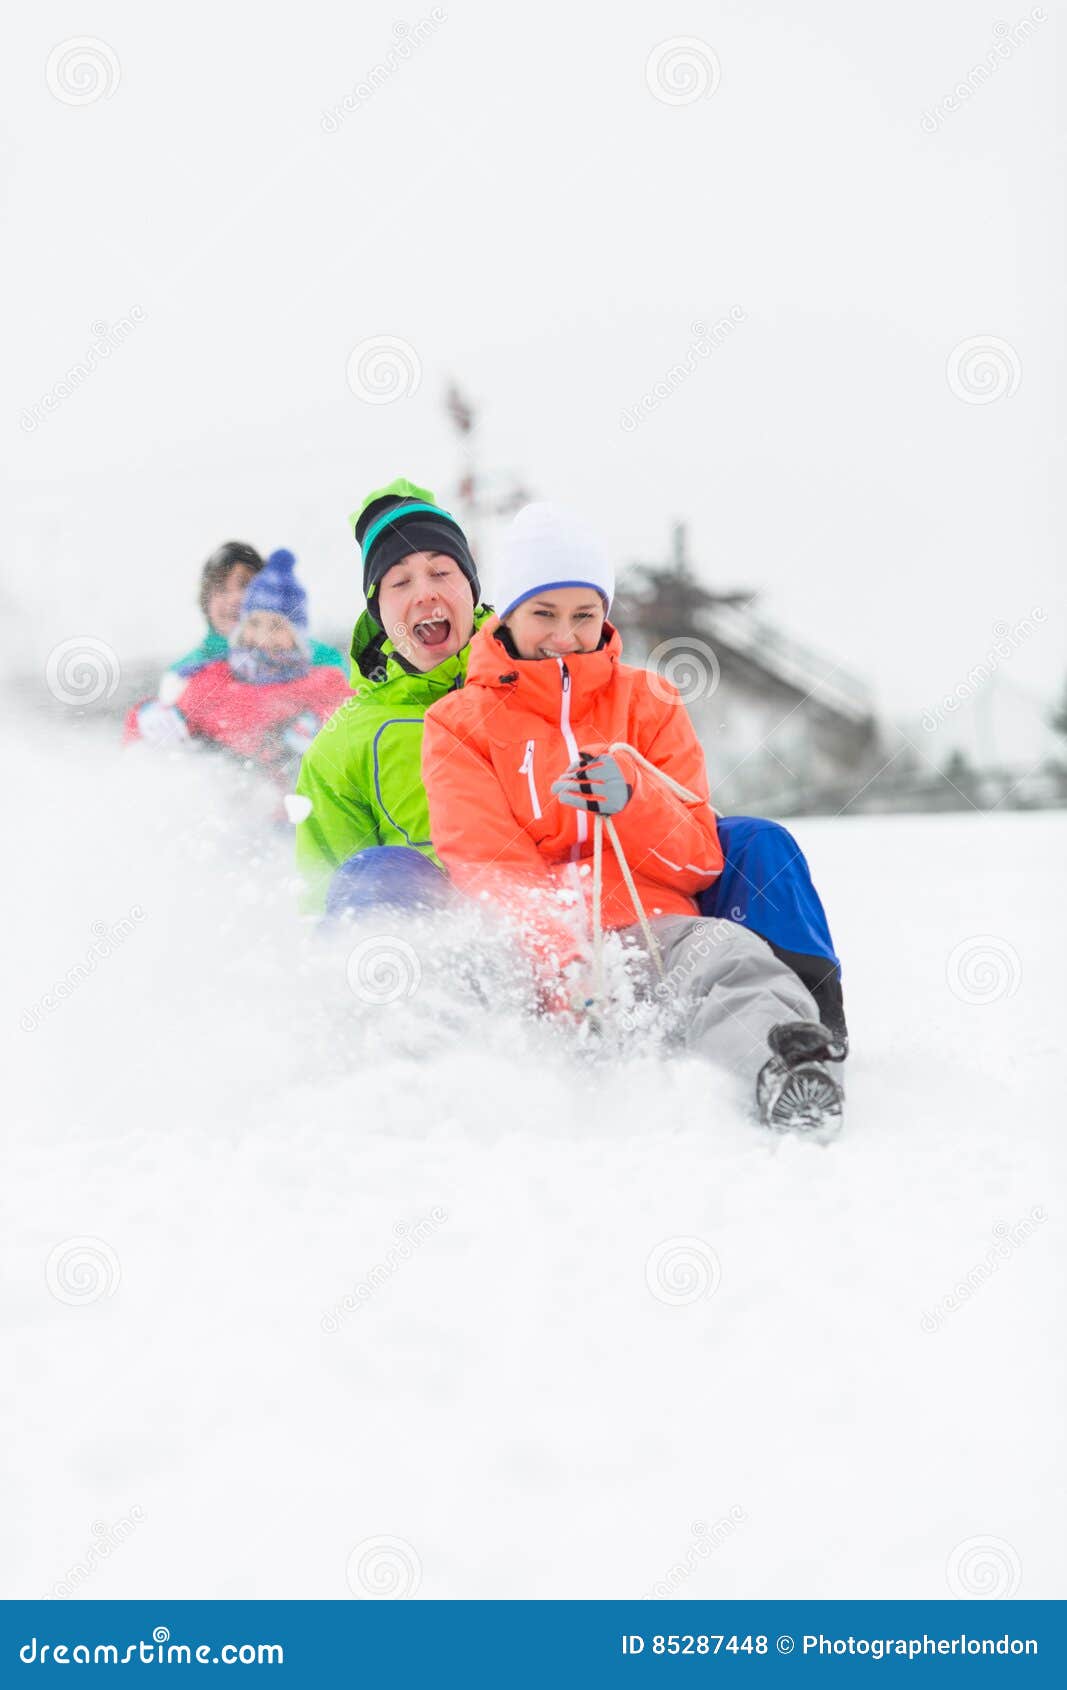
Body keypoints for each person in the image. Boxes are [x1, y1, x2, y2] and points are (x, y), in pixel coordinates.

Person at [419, 504, 846, 1136]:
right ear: (505, 613)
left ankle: (786, 1067)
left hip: (653, 929)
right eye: (544, 613)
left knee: (729, 954)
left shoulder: (648, 701)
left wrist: (636, 797)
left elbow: (700, 856)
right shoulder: (458, 723)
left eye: (584, 615)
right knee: (468, 977)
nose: (566, 635)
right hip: (535, 951)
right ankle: (428, 1094)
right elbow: (487, 861)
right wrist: (564, 961)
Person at [293, 478, 493, 910]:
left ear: (471, 590)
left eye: (441, 572)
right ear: (379, 611)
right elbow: (325, 897)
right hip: (435, 952)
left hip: (554, 932)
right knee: (381, 872)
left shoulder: (540, 685)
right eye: (400, 582)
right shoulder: (345, 744)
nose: (426, 593)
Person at [126, 550, 350, 791]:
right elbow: (164, 729)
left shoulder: (324, 675)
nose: (263, 636)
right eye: (254, 623)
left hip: (303, 804)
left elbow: (354, 715)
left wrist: (323, 726)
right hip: (236, 802)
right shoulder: (210, 678)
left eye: (276, 625)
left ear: (298, 638)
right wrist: (145, 718)